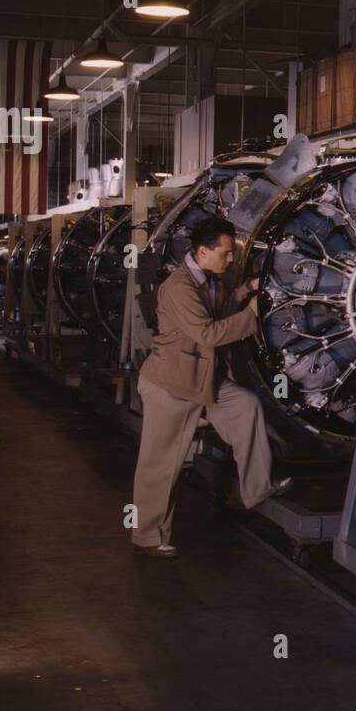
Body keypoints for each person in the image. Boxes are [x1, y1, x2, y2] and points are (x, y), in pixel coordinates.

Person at [130, 217, 287, 559]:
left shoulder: (209, 280)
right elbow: (208, 334)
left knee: (245, 406)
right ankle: (146, 536)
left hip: (204, 378)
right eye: (227, 253)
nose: (231, 259)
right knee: (161, 463)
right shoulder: (179, 287)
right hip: (173, 384)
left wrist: (248, 290)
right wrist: (253, 313)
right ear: (203, 251)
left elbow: (224, 305)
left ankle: (256, 490)